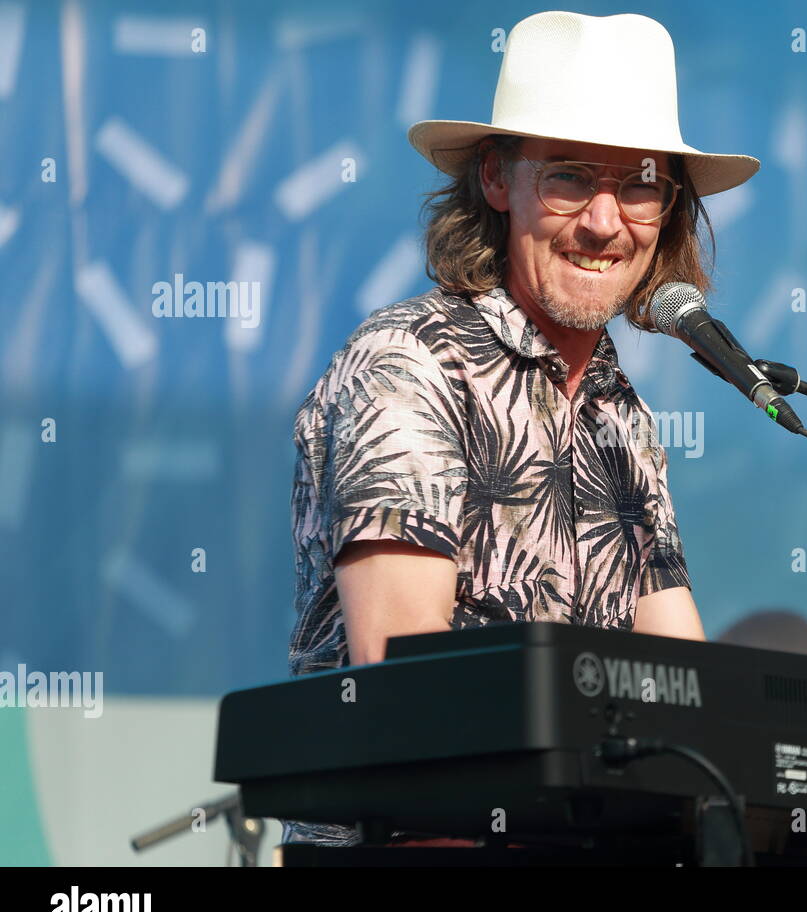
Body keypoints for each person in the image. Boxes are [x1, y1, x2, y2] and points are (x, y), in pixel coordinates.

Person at [283, 11, 760, 846]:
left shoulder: (623, 413)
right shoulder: (411, 366)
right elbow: (406, 687)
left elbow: (687, 687)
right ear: (498, 180)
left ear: (671, 206)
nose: (606, 222)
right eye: (571, 178)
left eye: (641, 182)